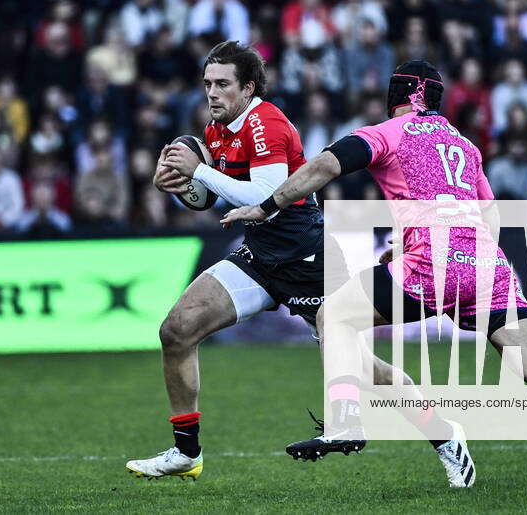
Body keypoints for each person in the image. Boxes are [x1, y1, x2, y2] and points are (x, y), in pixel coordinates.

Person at [221, 59, 527, 492]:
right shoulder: (465, 144)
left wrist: (266, 207)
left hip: (432, 266)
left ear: (396, 93)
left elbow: (323, 167)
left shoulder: (388, 132)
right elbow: (491, 218)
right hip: (489, 268)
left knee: (334, 316)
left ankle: (344, 424)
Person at [126, 42, 459, 483]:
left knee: (364, 370)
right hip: (259, 258)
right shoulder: (216, 129)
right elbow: (211, 198)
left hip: (309, 256)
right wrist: (177, 182)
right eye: (207, 84)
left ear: (247, 88)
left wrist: (199, 171)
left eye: (222, 84)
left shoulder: (266, 123)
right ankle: (187, 453)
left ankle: (444, 434)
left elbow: (266, 199)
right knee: (176, 330)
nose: (212, 93)